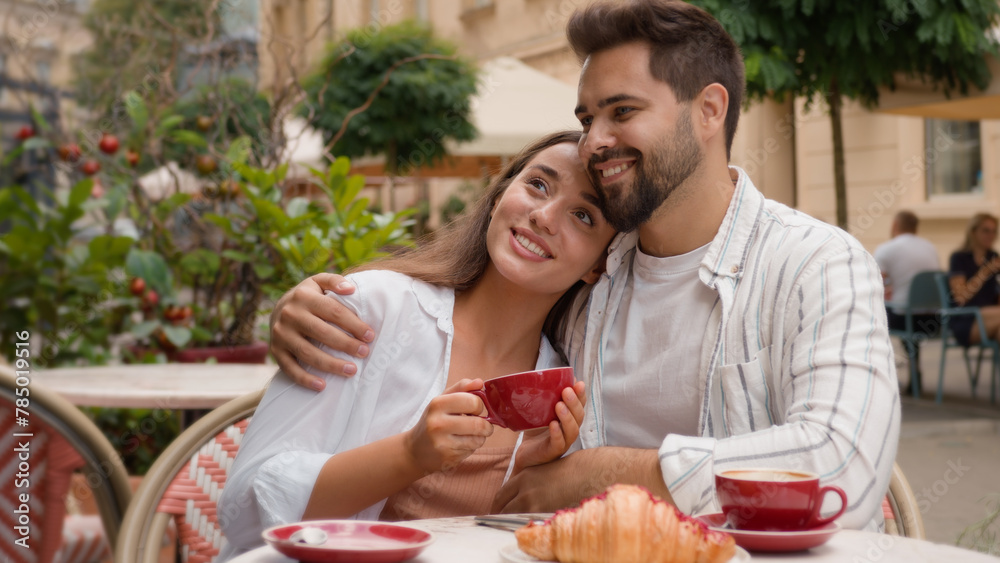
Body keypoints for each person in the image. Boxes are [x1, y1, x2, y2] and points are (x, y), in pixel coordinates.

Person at [267, 0, 898, 531]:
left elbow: (842, 466)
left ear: (709, 111)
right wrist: (304, 309)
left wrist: (603, 475)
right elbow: (470, 307)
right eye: (587, 118)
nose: (594, 140)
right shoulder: (587, 277)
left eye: (621, 112)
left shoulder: (816, 264)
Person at [217, 131, 617, 557]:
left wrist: (533, 480)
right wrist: (410, 454)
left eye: (583, 216)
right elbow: (246, 507)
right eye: (538, 184)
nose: (545, 216)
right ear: (500, 195)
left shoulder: (564, 396)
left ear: (597, 266)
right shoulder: (367, 311)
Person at [874, 210, 940, 395]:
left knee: (877, 313)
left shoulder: (886, 249)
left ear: (895, 225)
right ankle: (913, 371)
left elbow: (877, 284)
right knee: (906, 310)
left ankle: (879, 376)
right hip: (934, 319)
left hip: (905, 318)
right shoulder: (930, 247)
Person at [947, 212, 1000, 346]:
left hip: (992, 315)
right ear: (973, 232)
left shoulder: (993, 255)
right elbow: (961, 297)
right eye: (986, 231)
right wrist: (986, 270)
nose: (991, 236)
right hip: (966, 318)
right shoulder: (959, 258)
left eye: (994, 231)